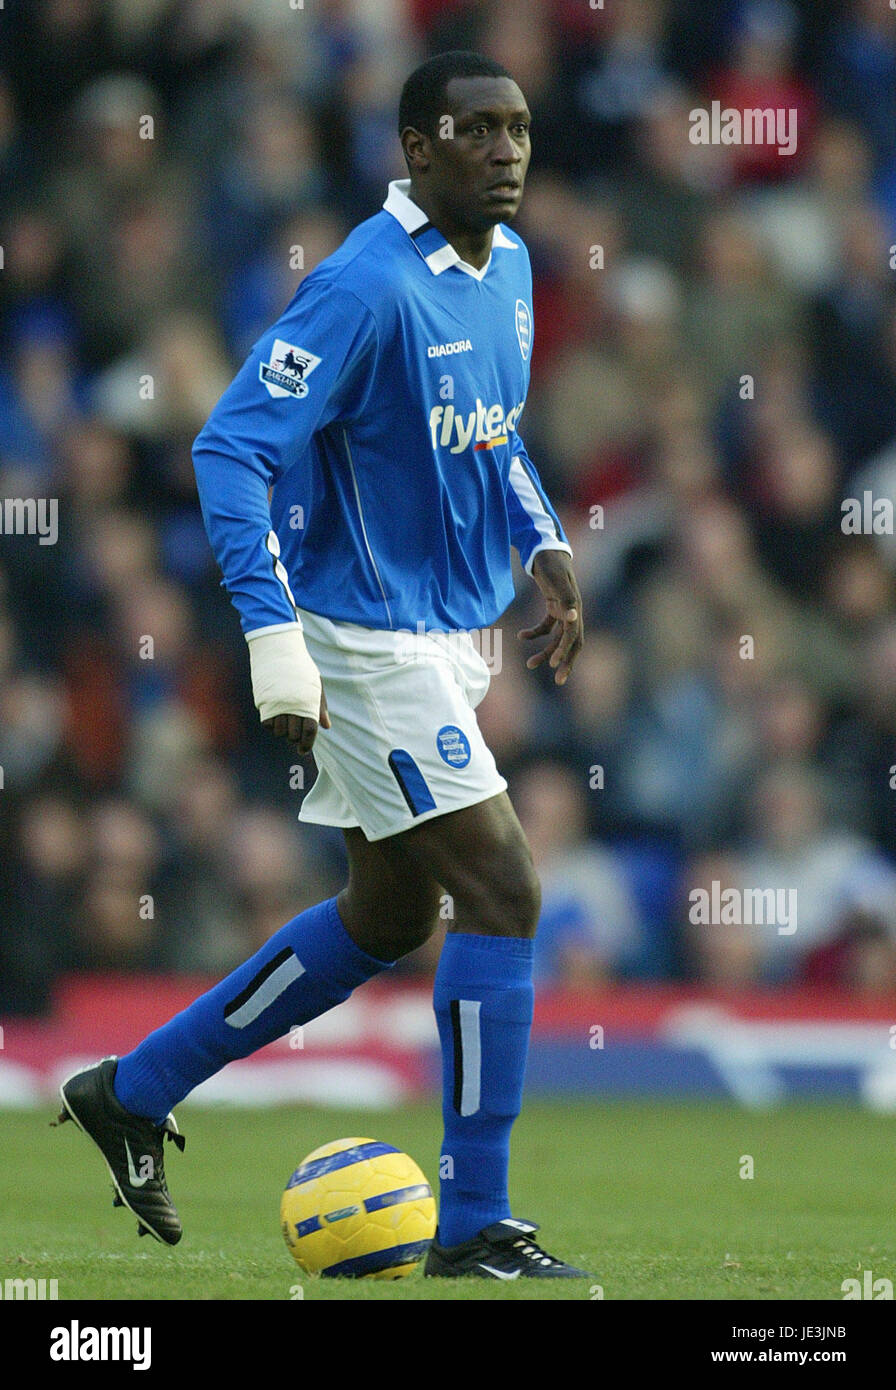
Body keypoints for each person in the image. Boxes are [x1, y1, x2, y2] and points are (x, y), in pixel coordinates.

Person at [56, 50, 586, 1280]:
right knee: (502, 887)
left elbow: (494, 435)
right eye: (476, 131)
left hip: (445, 633)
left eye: (518, 130)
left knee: (391, 913)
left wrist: (544, 541)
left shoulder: (502, 268)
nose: (506, 152)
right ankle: (474, 1224)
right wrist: (270, 628)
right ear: (414, 148)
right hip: (358, 636)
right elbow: (228, 448)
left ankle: (132, 1092)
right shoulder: (360, 285)